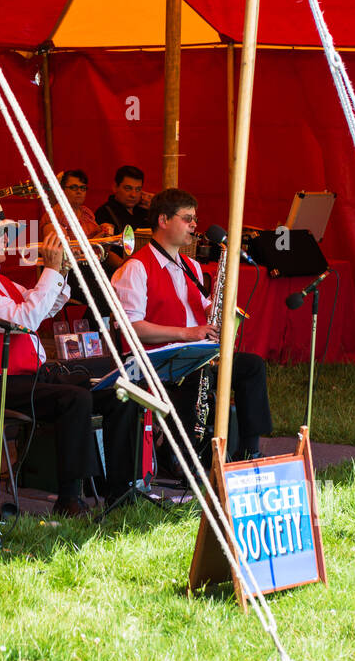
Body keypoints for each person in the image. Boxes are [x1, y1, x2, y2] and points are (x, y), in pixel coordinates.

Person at [0, 195, 139, 514]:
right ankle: (69, 499)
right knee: (74, 400)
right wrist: (50, 269)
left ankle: (118, 490)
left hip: (26, 376)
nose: (7, 239)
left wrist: (61, 269)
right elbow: (25, 321)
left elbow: (46, 308)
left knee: (118, 392)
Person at [111, 188, 271, 466]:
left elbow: (204, 306)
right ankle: (182, 457)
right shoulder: (136, 268)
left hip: (194, 358)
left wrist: (219, 310)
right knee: (199, 375)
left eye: (195, 218)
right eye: (187, 219)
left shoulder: (192, 267)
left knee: (252, 365)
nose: (195, 225)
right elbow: (132, 327)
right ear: (163, 220)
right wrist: (188, 334)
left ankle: (249, 452)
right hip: (157, 362)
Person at [38, 169, 116, 319]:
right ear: (61, 190)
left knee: (119, 287)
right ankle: (97, 335)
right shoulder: (53, 215)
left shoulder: (87, 213)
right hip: (69, 270)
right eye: (73, 187)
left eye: (82, 188)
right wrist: (96, 240)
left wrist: (106, 238)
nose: (79, 191)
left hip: (92, 266)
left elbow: (100, 250)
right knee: (102, 298)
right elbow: (62, 250)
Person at [94, 166, 150, 271]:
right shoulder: (104, 212)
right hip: (120, 272)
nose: (133, 195)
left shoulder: (145, 211)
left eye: (138, 189)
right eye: (128, 188)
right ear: (115, 187)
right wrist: (129, 269)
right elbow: (104, 252)